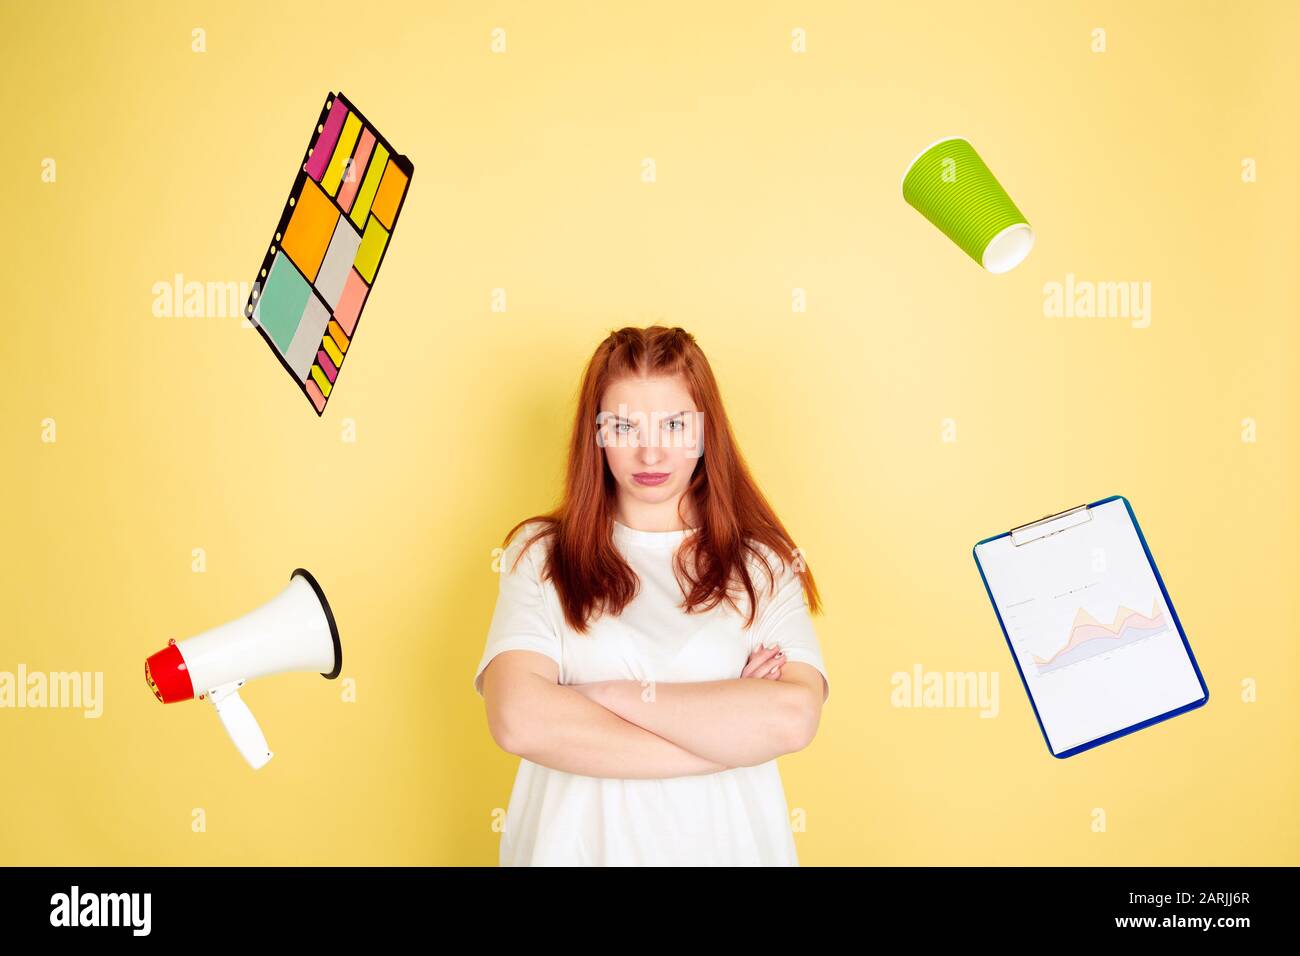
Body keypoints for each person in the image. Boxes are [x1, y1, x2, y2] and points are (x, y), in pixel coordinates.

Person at [473, 325, 829, 865]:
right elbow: (518, 720)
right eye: (622, 425)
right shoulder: (539, 554)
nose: (650, 450)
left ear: (706, 431)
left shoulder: (763, 563)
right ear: (595, 433)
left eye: (674, 423)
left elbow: (792, 718)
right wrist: (727, 739)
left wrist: (601, 695)